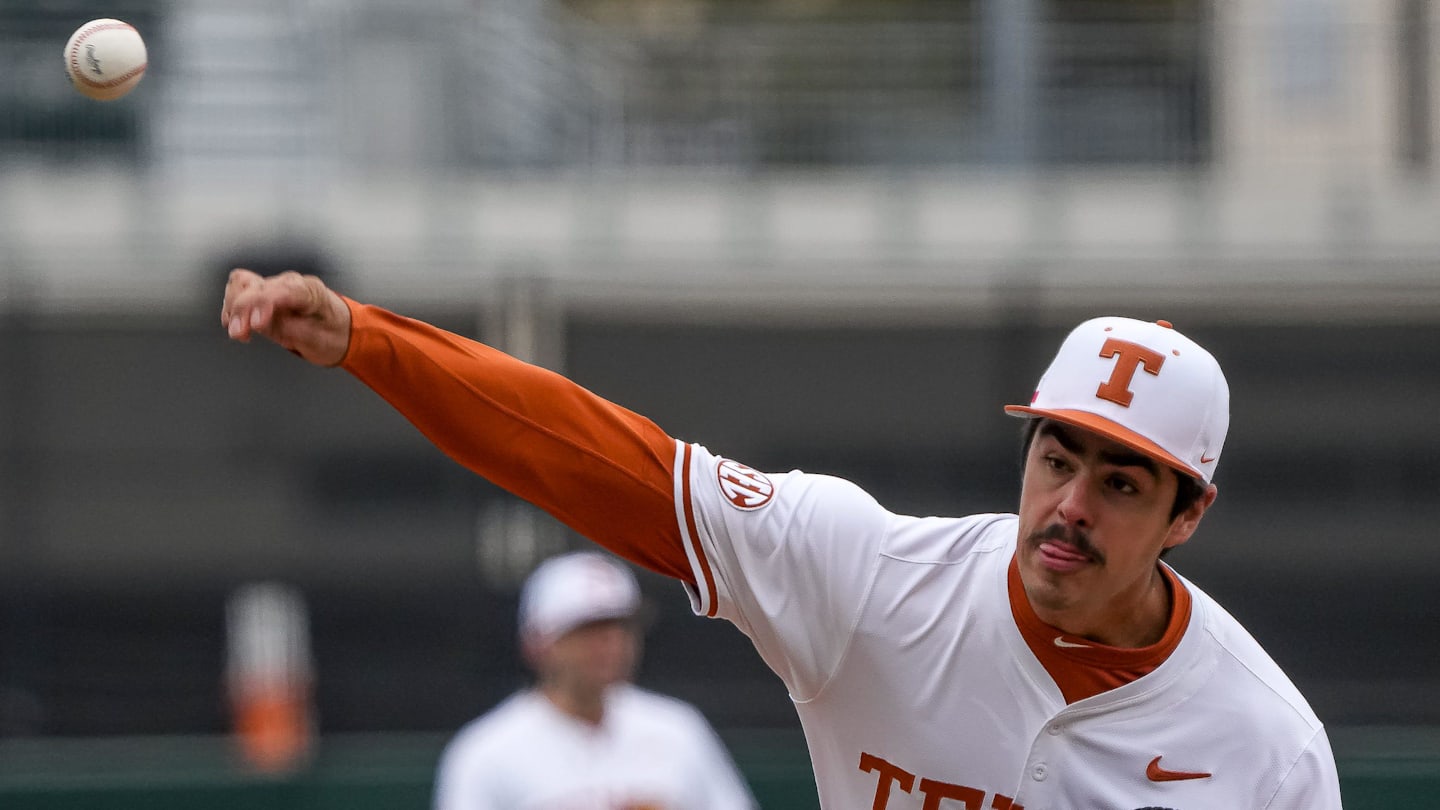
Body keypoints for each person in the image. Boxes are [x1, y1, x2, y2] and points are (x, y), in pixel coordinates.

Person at [222, 269, 1344, 809]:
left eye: (1122, 481)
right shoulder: (863, 572)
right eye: (1057, 458)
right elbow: (599, 460)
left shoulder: (1265, 745)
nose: (1070, 506)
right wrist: (372, 342)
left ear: (1188, 513)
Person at [432, 551, 757, 810]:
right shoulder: (486, 752)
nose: (612, 642)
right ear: (538, 642)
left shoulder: (678, 730)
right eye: (589, 629)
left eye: (621, 626)